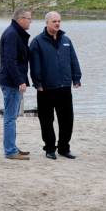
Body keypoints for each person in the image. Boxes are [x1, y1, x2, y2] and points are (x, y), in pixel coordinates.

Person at [29, 11, 82, 160]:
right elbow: (34, 65)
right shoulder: (37, 42)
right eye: (54, 21)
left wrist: (76, 78)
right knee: (46, 121)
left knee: (67, 120)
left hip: (64, 87)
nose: (57, 24)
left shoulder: (66, 40)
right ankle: (50, 149)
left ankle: (64, 148)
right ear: (47, 23)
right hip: (45, 89)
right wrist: (37, 83)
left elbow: (73, 59)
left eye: (59, 21)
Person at [0, 8, 32, 160]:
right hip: (11, 82)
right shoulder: (12, 34)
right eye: (29, 18)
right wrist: (20, 81)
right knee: (10, 117)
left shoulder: (16, 33)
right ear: (20, 19)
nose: (30, 21)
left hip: (12, 80)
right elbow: (10, 62)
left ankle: (13, 147)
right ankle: (10, 151)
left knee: (13, 116)